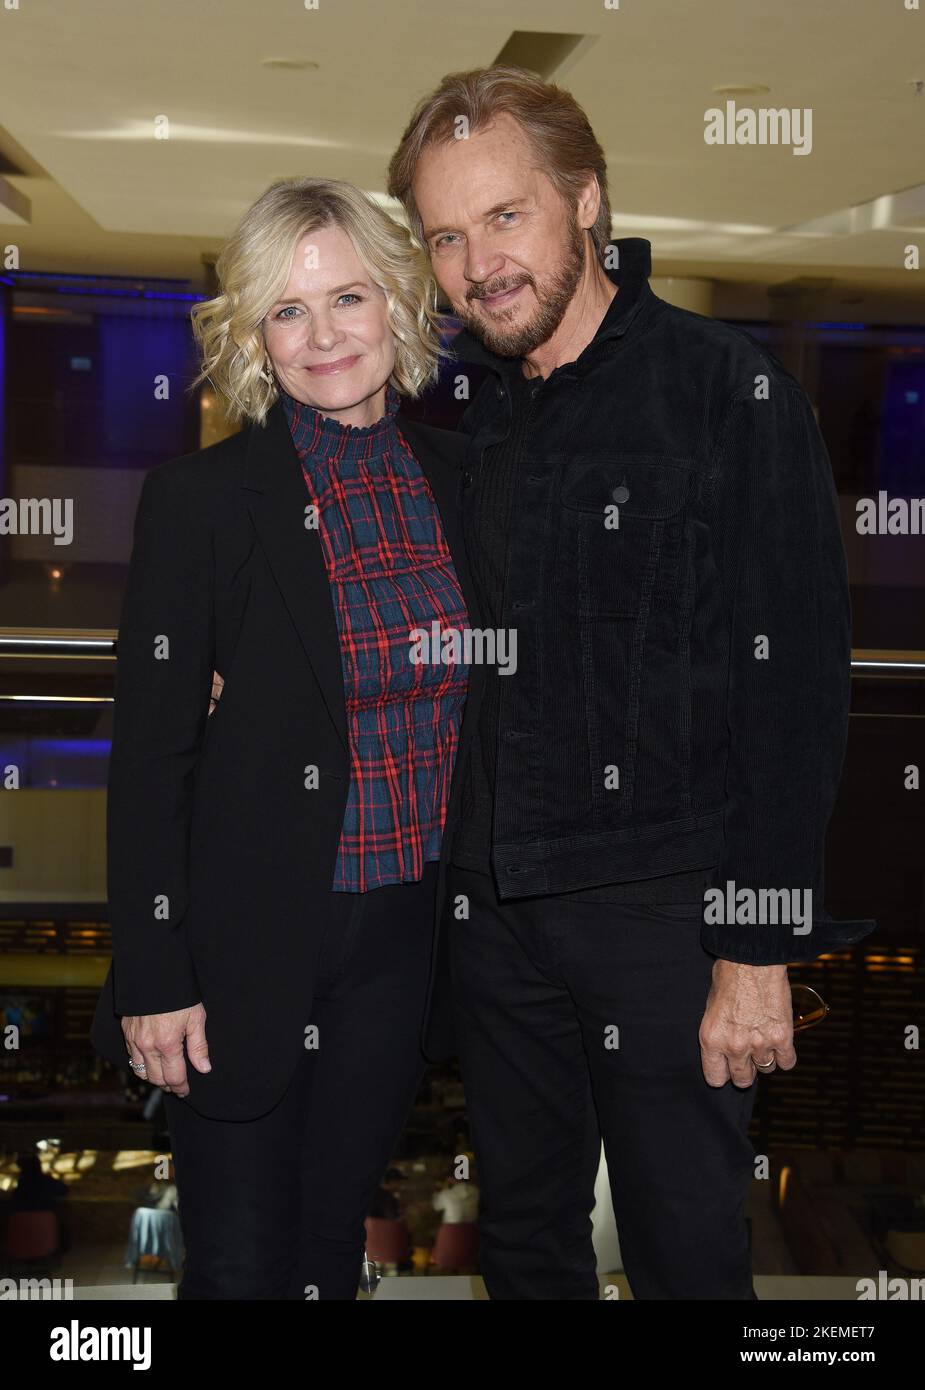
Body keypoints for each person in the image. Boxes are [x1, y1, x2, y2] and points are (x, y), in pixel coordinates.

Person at [385, 64, 878, 1299]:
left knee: (685, 1250)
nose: (477, 263)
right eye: (446, 235)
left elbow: (797, 685)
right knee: (523, 1245)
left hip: (666, 919)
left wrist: (755, 946)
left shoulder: (726, 389)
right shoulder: (460, 412)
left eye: (505, 217)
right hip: (493, 911)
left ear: (586, 201)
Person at [90, 177, 481, 1299]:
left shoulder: (463, 484)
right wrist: (156, 976)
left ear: (400, 304)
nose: (322, 338)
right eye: (288, 310)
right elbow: (151, 761)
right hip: (239, 949)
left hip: (398, 945)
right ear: (256, 334)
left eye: (348, 298)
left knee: (328, 1255)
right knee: (236, 1263)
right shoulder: (202, 502)